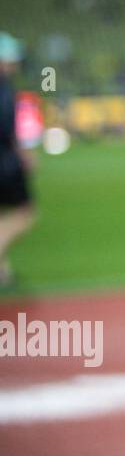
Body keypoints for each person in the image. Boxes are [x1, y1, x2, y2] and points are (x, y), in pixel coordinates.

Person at [0, 32, 35, 290]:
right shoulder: (4, 89)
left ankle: (4, 272)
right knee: (25, 213)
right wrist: (23, 153)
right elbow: (6, 127)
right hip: (6, 162)